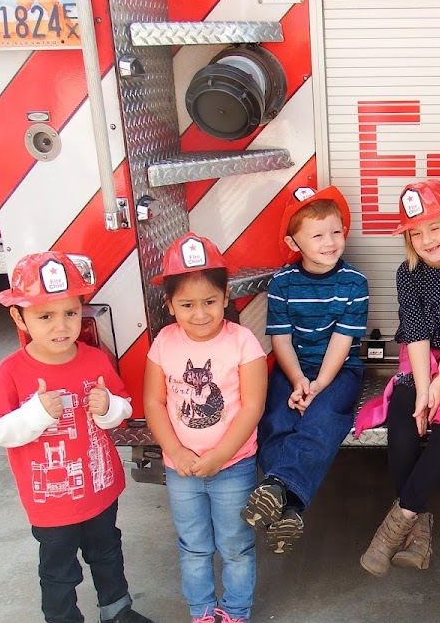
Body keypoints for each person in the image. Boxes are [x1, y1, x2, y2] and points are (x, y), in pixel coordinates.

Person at [0, 251, 153, 623]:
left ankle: (116, 610)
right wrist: (36, 414)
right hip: (52, 502)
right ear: (19, 316)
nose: (60, 326)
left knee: (108, 553)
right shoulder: (9, 372)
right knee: (60, 571)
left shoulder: (94, 358)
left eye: (70, 313)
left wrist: (108, 407)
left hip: (100, 489)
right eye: (45, 316)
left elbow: (123, 407)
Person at [356, 180, 440, 576]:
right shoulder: (407, 272)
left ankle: (393, 529)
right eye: (416, 232)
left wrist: (439, 385)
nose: (427, 239)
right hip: (417, 364)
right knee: (404, 430)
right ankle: (420, 527)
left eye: (434, 227)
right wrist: (419, 393)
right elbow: (413, 330)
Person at [143, 233, 266, 623]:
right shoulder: (164, 342)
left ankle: (235, 611)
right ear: (170, 304)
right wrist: (176, 452)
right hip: (181, 470)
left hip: (233, 467)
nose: (200, 314)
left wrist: (219, 456)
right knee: (193, 546)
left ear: (226, 297)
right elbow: (154, 402)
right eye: (187, 304)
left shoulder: (243, 342)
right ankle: (201, 612)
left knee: (235, 545)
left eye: (210, 302)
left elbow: (252, 406)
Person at [242, 185, 368, 554]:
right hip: (293, 367)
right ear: (293, 243)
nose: (330, 241)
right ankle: (290, 508)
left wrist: (317, 386)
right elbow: (280, 340)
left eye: (336, 231)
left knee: (325, 418)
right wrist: (297, 381)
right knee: (275, 418)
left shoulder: (354, 283)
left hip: (339, 369)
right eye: (316, 235)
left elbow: (342, 343)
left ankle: (278, 490)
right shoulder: (282, 283)